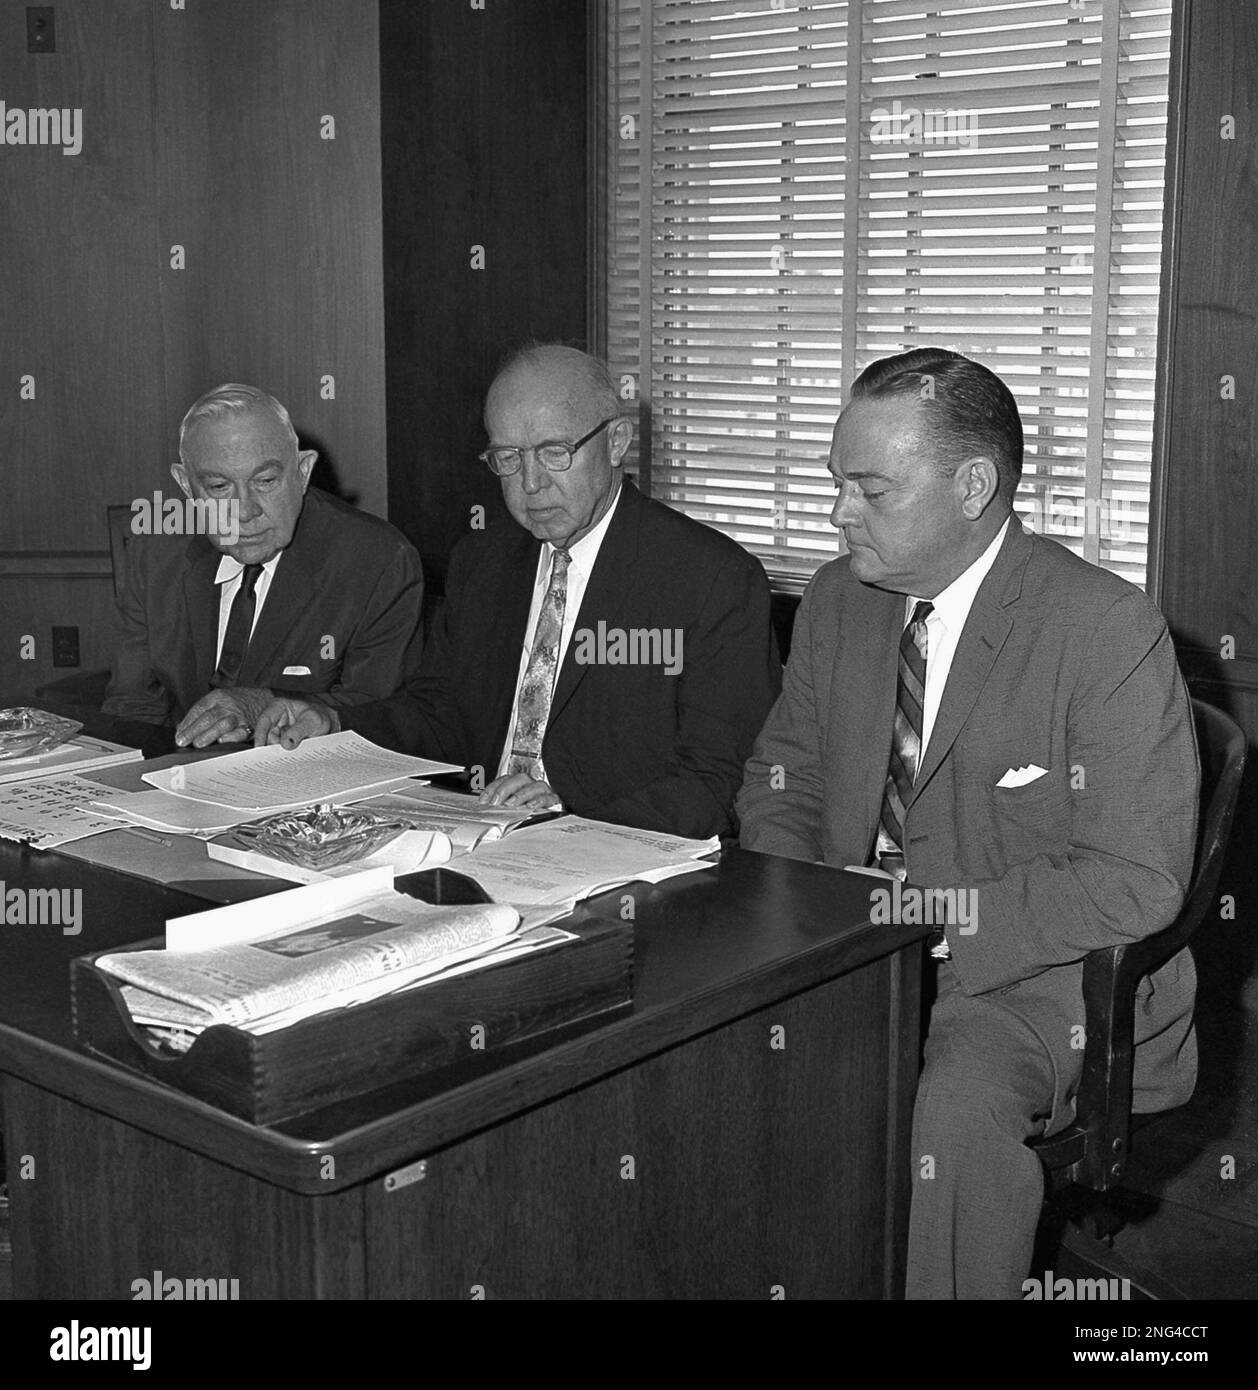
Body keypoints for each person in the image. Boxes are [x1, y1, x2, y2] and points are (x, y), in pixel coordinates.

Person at [736, 347, 1199, 1299]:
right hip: (840, 941)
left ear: (973, 486)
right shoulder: (836, 600)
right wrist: (806, 908)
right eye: (835, 484)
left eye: (869, 489)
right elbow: (784, 782)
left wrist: (934, 922)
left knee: (950, 1117)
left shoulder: (1105, 630)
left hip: (1029, 976)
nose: (837, 515)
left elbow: (1136, 877)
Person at [255, 345, 780, 839]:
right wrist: (336, 721)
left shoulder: (709, 579)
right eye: (507, 458)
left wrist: (566, 814)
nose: (530, 484)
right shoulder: (483, 561)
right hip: (475, 833)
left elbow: (718, 781)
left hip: (618, 860)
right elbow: (441, 714)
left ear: (616, 443)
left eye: (554, 453)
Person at [103, 383, 424, 746]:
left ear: (303, 472)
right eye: (220, 487)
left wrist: (262, 705)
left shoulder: (376, 561)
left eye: (266, 481)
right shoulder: (156, 553)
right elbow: (133, 709)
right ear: (187, 487)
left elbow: (381, 714)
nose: (246, 511)